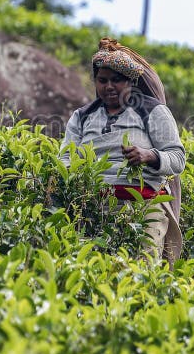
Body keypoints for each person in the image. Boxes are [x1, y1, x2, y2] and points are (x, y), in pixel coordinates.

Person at [60, 38, 185, 263]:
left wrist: (149, 156)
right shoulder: (82, 116)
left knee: (141, 271)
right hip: (93, 208)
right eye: (102, 80)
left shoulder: (153, 111)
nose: (109, 86)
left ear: (130, 82)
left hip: (143, 208)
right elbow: (66, 159)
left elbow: (177, 158)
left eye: (116, 80)